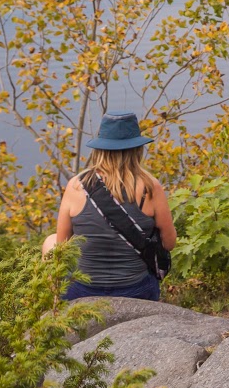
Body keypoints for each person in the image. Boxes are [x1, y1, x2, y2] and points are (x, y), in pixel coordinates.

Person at [44, 111, 177, 301]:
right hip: (136, 290)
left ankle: (54, 306)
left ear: (100, 149)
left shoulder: (76, 185)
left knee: (50, 242)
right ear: (137, 149)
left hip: (83, 291)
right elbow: (169, 243)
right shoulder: (150, 187)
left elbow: (62, 248)